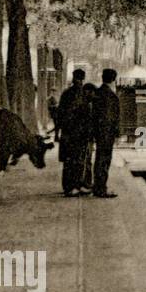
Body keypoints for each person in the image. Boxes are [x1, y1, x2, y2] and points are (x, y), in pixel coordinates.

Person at [58, 68, 90, 197]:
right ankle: (70, 187)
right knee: (72, 160)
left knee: (77, 160)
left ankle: (75, 185)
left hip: (77, 132)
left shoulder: (69, 94)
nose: (80, 82)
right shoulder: (75, 95)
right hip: (73, 132)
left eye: (81, 79)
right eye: (78, 79)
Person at [91, 69, 121, 198]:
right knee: (105, 160)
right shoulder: (112, 96)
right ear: (114, 80)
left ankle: (97, 186)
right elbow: (112, 117)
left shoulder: (97, 93)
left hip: (97, 131)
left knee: (99, 159)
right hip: (107, 133)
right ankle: (101, 188)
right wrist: (117, 132)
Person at [78, 83, 98, 193]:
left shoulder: (87, 104)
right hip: (85, 137)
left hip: (87, 136)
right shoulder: (85, 105)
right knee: (85, 159)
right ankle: (84, 182)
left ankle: (87, 182)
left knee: (87, 159)